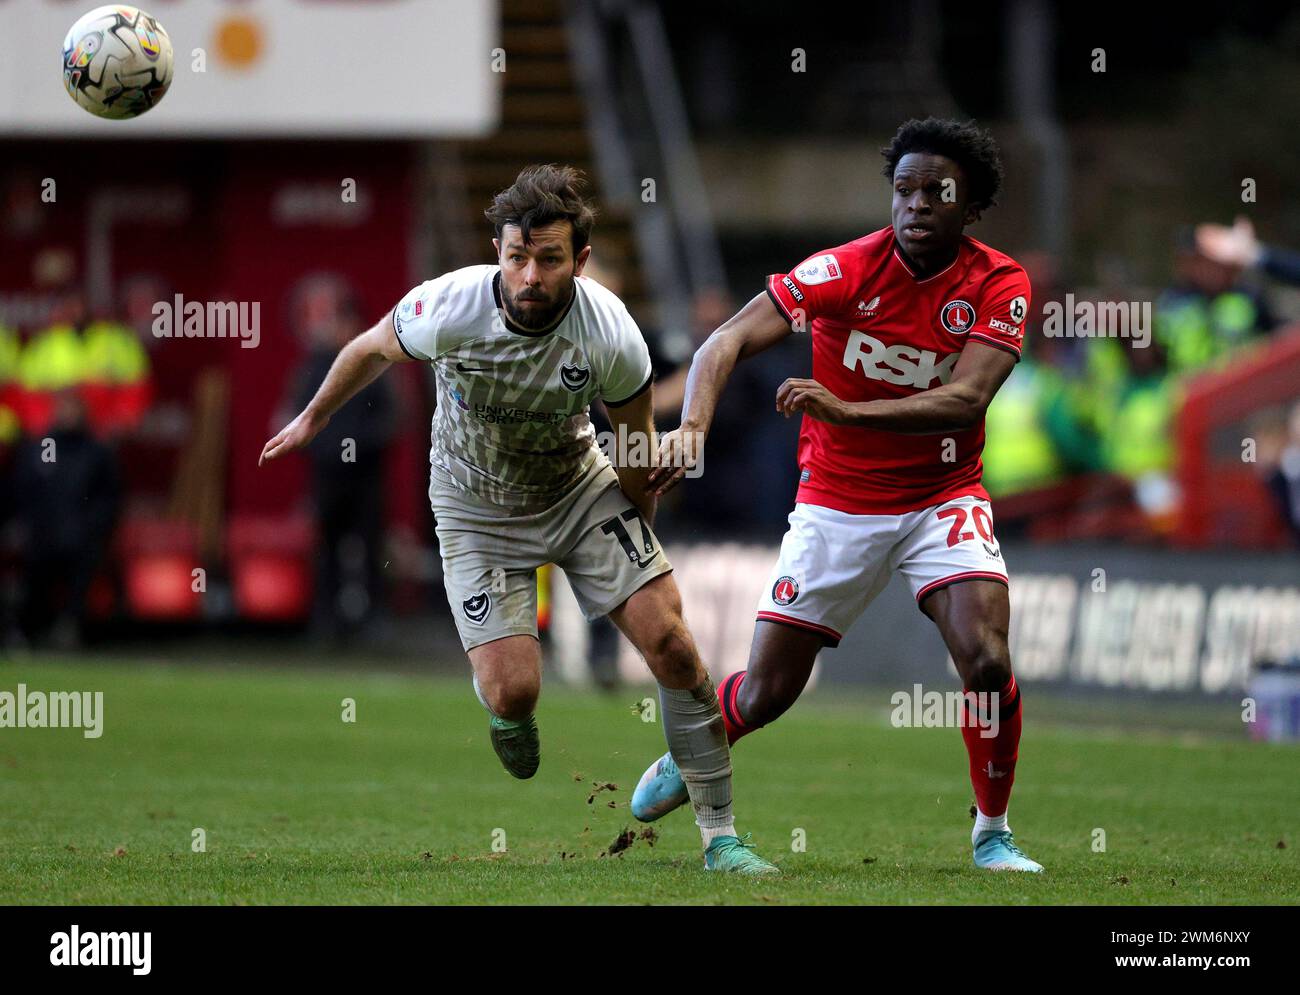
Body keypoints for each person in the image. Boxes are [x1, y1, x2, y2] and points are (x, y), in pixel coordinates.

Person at [259, 165, 777, 873]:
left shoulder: (612, 334)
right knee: (515, 686)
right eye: (516, 256)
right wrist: (313, 416)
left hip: (576, 487)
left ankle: (721, 837)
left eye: (550, 259)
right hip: (475, 508)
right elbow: (372, 346)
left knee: (675, 646)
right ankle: (508, 709)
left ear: (581, 261)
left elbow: (630, 448)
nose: (530, 275)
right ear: (497, 250)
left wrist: (639, 553)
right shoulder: (447, 305)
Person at [631, 118, 1044, 872]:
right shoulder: (845, 270)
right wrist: (691, 425)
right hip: (837, 504)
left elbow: (967, 396)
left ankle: (992, 830)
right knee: (764, 694)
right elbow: (723, 341)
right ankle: (694, 747)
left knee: (985, 660)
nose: (915, 204)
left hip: (941, 498)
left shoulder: (999, 282)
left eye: (936, 191)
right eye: (904, 189)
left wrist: (849, 409)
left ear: (971, 205)